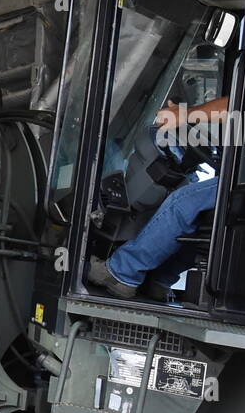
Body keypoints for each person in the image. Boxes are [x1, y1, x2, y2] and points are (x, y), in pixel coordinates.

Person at [88, 96, 227, 299]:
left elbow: (239, 103)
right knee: (199, 215)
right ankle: (160, 279)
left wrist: (185, 114)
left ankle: (122, 272)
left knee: (183, 203)